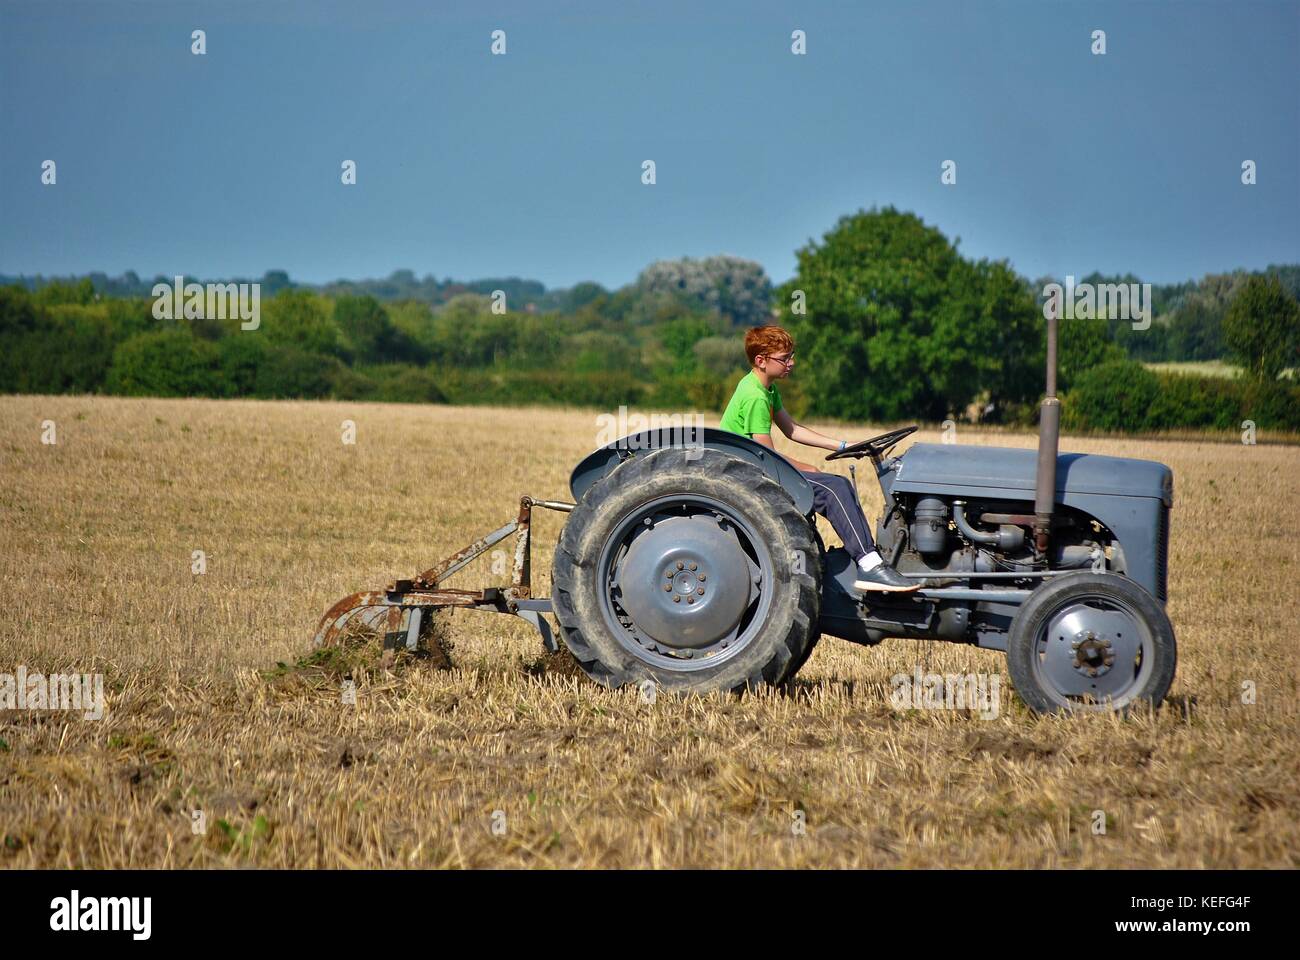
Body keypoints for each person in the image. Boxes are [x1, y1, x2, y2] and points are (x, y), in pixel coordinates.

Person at [717, 325, 921, 593]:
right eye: (784, 358)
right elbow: (766, 456)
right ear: (761, 361)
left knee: (837, 485)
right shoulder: (755, 396)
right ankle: (870, 565)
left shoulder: (765, 388)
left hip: (753, 467)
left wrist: (845, 445)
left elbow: (792, 430)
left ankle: (867, 557)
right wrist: (804, 469)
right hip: (749, 475)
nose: (792, 363)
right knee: (834, 489)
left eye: (792, 355)